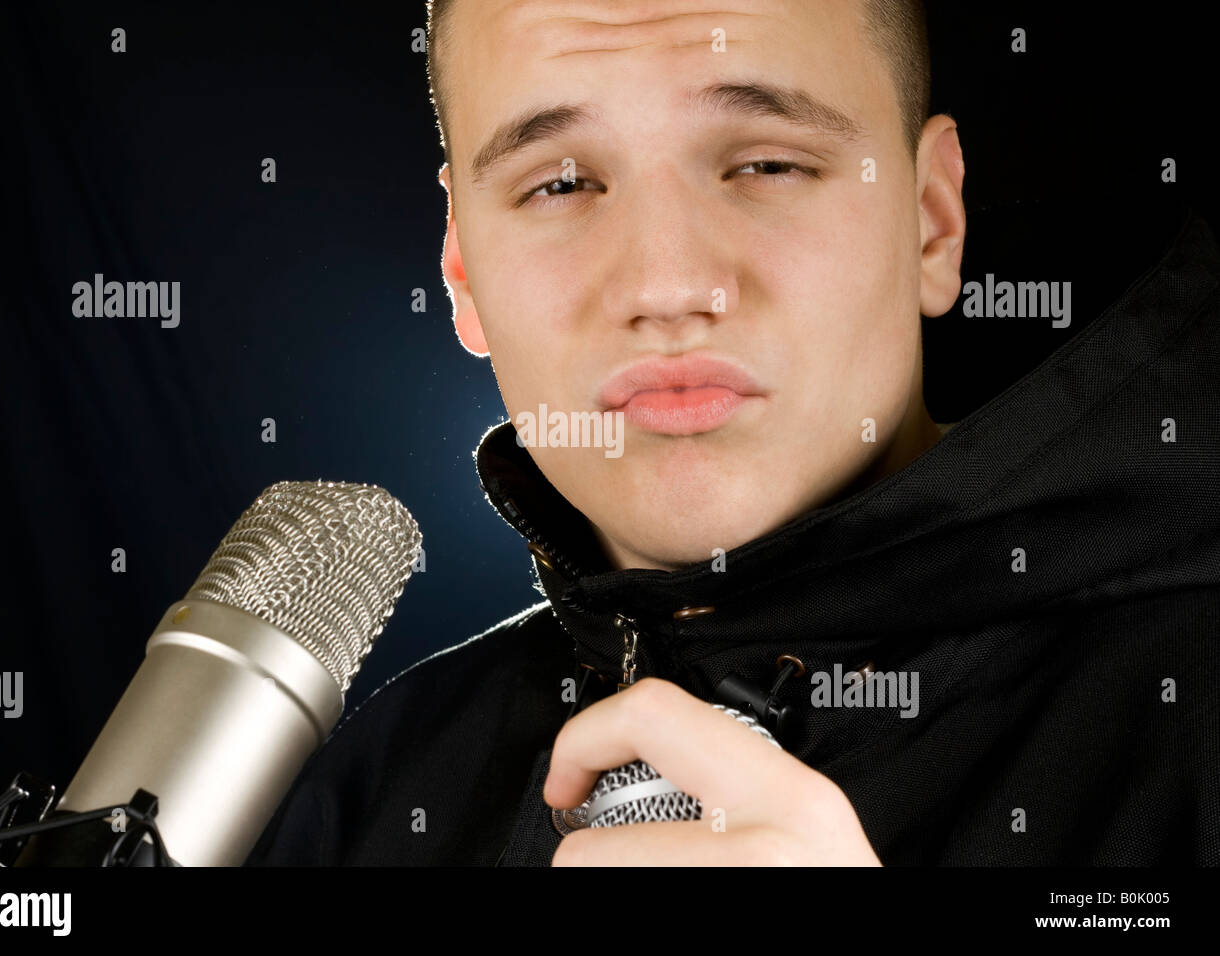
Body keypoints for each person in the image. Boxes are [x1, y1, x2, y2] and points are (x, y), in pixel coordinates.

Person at [246, 0, 1219, 865]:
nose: (669, 287)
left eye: (764, 163)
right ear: (462, 267)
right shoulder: (374, 783)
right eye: (561, 184)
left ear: (931, 222)